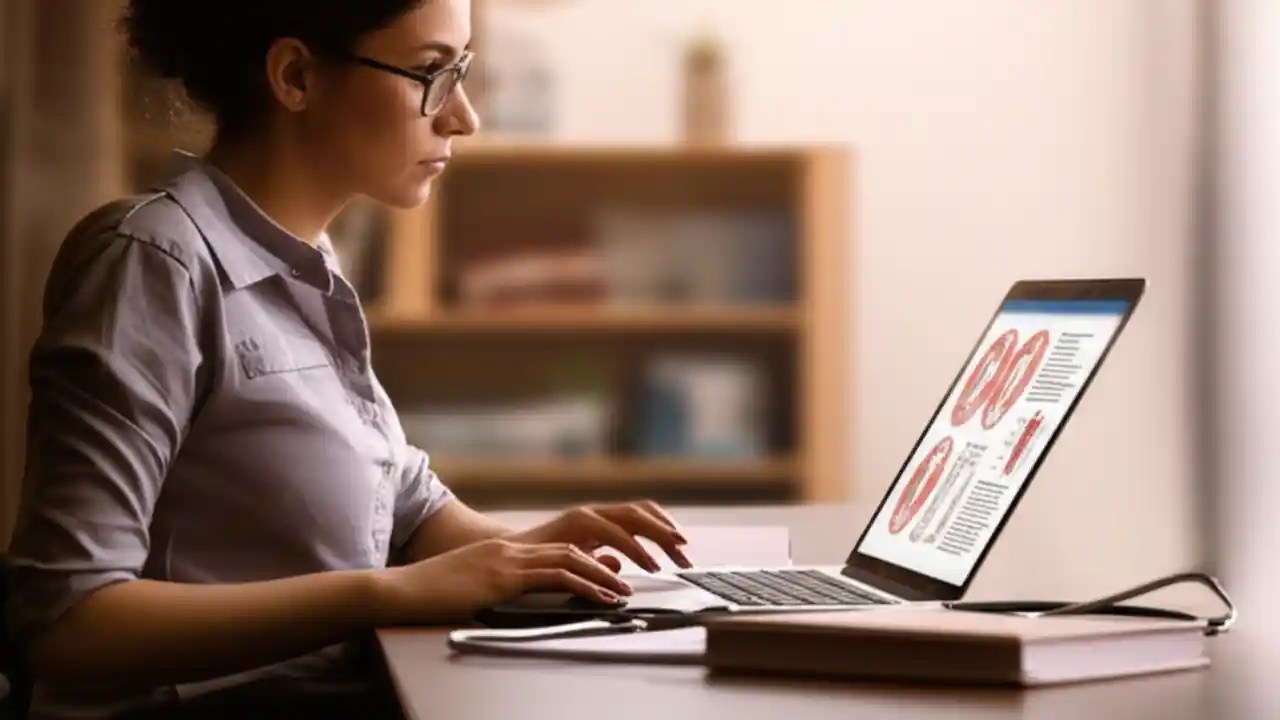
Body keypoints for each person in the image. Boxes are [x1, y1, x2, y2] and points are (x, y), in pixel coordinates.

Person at [4, 0, 692, 716]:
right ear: (296, 76)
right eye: (430, 72)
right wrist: (384, 593)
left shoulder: (304, 262)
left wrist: (537, 550)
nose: (463, 116)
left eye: (461, 71)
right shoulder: (152, 264)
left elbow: (403, 503)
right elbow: (69, 623)